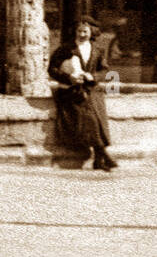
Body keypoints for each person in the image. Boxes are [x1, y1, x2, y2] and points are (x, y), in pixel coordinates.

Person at [48, 16, 118, 171]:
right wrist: (69, 77)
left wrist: (93, 76)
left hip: (91, 90)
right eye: (79, 31)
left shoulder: (97, 50)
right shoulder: (65, 49)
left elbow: (105, 70)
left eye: (85, 31)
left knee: (97, 118)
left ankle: (99, 159)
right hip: (72, 93)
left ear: (92, 32)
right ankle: (103, 155)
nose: (81, 34)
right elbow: (52, 69)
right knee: (90, 118)